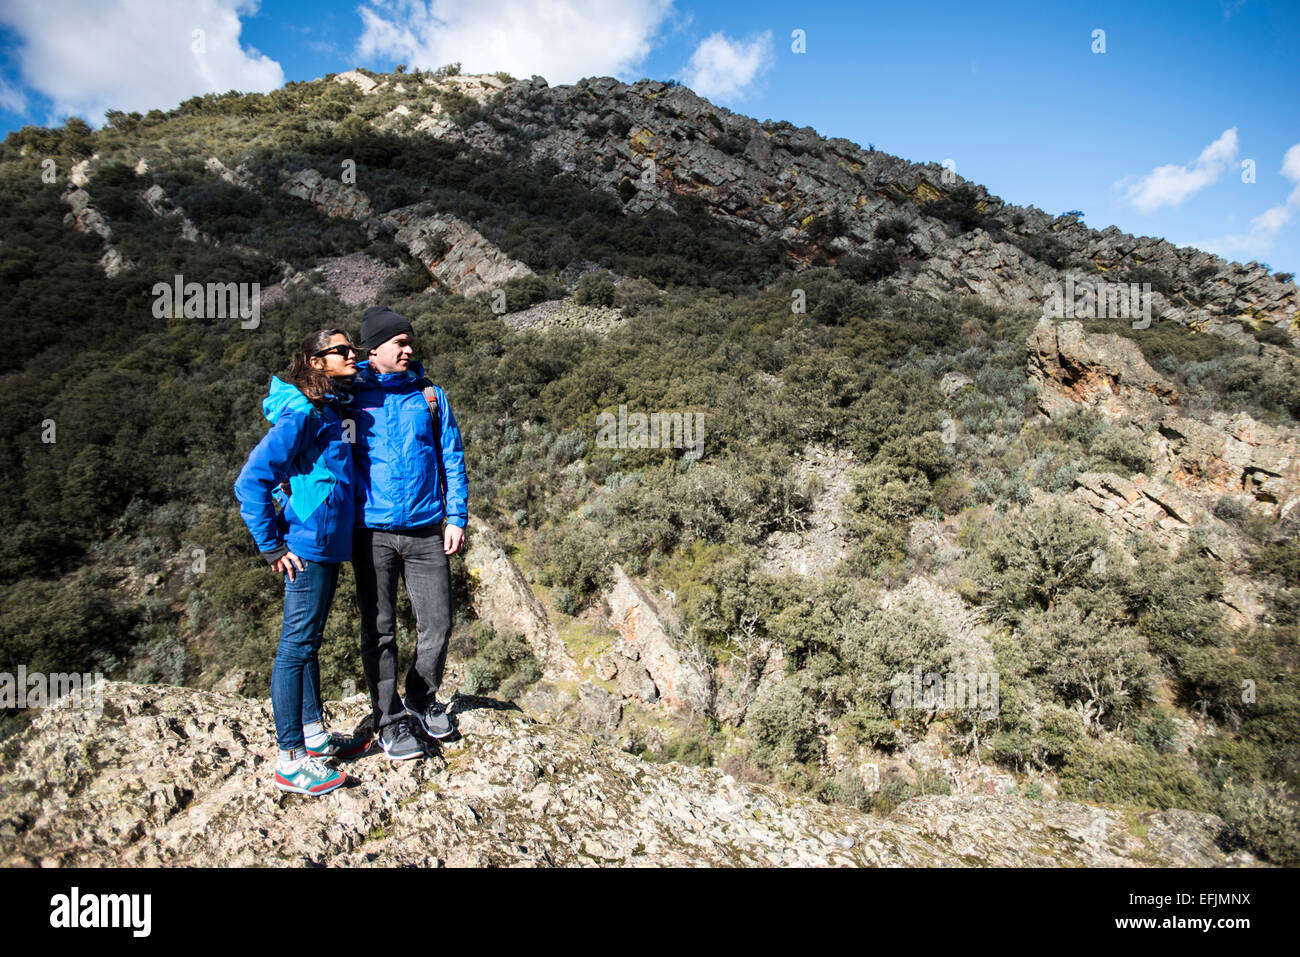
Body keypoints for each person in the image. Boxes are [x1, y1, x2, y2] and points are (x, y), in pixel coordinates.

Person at [234, 329, 370, 795]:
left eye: (354, 349)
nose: (353, 356)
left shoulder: (329, 406)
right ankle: (290, 759)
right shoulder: (303, 414)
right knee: (295, 648)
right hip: (307, 546)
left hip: (325, 543)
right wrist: (272, 546)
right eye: (342, 351)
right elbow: (249, 482)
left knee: (308, 643)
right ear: (315, 362)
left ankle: (312, 734)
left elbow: (375, 368)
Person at [351, 305, 468, 760]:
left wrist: (456, 517)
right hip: (372, 533)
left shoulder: (430, 395)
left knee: (438, 622)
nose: (409, 349)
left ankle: (421, 698)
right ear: (373, 349)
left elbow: (452, 458)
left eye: (409, 341)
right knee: (380, 632)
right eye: (399, 343)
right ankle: (388, 719)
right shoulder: (352, 398)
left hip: (425, 530)